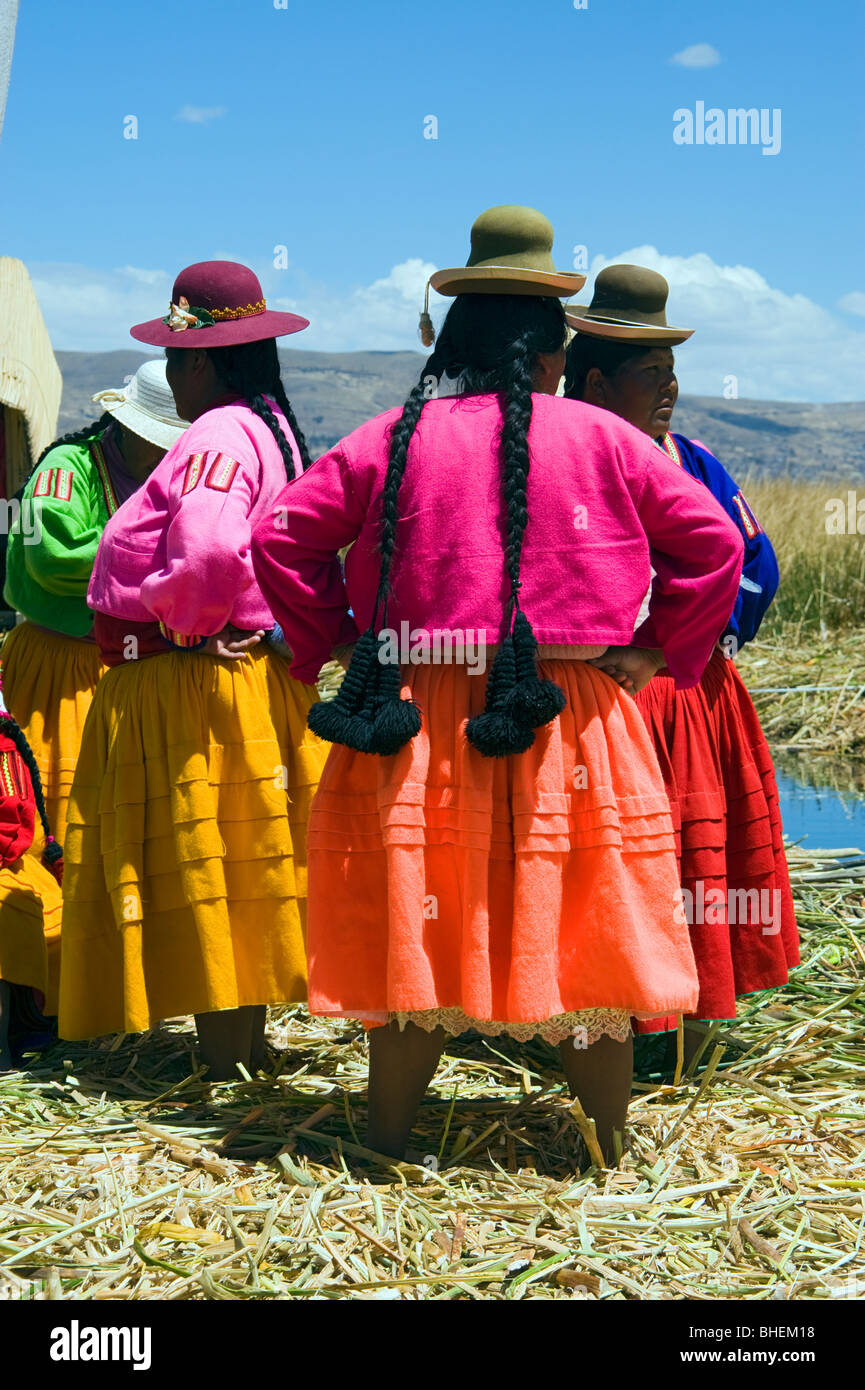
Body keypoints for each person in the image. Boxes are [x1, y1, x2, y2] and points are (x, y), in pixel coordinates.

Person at [252, 206, 744, 1163]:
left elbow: (282, 535)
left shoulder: (392, 434)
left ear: (456, 343)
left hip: (419, 719)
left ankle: (390, 1141)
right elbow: (713, 543)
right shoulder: (606, 442)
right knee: (585, 924)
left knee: (418, 923)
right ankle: (606, 1149)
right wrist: (657, 650)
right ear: (552, 357)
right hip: (572, 714)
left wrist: (340, 642)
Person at [58, 262, 328, 1080]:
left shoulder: (214, 435)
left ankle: (222, 1066)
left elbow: (209, 548)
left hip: (191, 685)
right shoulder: (273, 428)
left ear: (201, 361)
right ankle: (239, 1056)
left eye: (176, 359)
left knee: (204, 863)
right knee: (243, 871)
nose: (170, 376)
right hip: (247, 686)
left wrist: (180, 620)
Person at [564, 265, 799, 1057]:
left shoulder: (690, 459)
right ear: (595, 380)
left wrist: (683, 645)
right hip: (608, 693)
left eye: (672, 372)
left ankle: (667, 1033)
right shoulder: (577, 456)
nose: (667, 388)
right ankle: (605, 1025)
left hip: (674, 693)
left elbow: (753, 565)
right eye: (648, 374)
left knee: (680, 865)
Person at [0, 361, 185, 1027]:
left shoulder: (170, 472)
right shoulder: (67, 469)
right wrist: (167, 559)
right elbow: (49, 552)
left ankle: (113, 986)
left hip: (128, 669)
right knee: (52, 826)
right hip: (59, 669)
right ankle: (47, 991)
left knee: (122, 831)